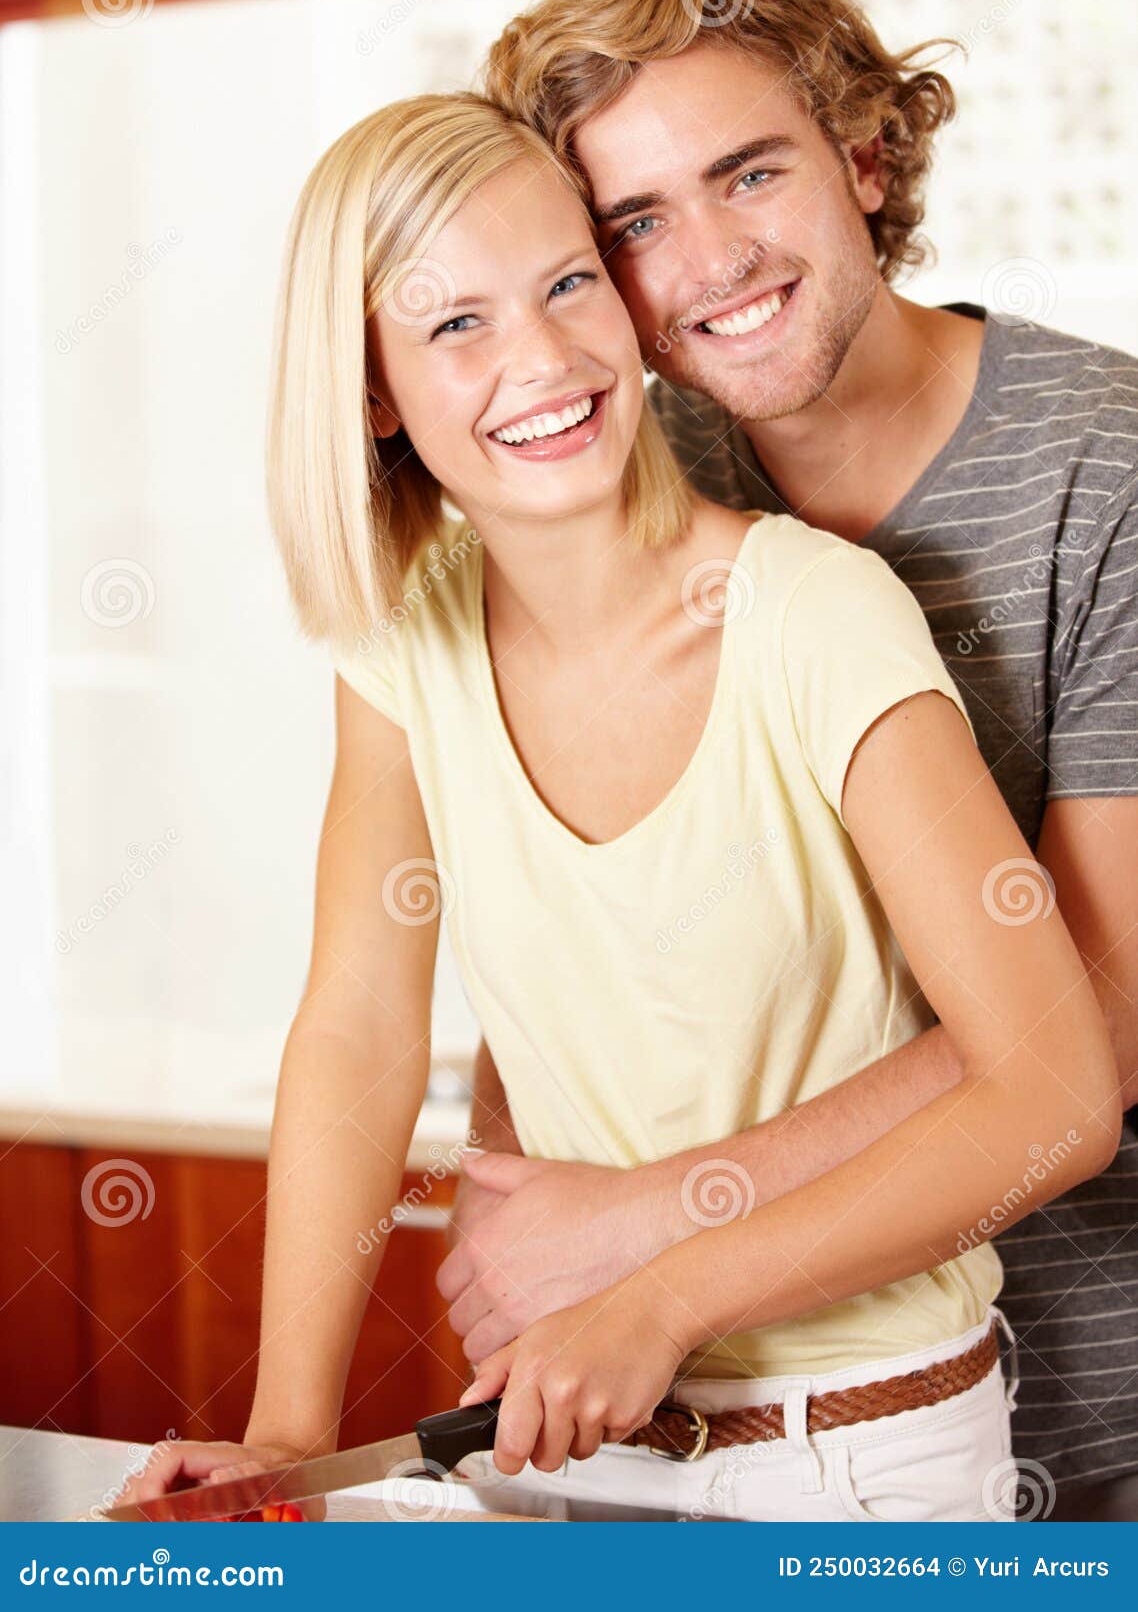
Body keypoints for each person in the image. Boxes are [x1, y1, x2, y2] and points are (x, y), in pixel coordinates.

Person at [119, 89, 1119, 1523]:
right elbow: (356, 1026)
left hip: (866, 1461)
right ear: (373, 392)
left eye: (568, 283)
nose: (540, 358)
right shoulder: (406, 644)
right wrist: (285, 1425)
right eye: (454, 322)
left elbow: (1055, 1091)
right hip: (572, 1448)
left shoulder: (816, 613)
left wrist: (659, 1297)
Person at [444, 0, 1138, 1522]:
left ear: (865, 154)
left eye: (747, 173)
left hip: (1087, 1397)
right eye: (630, 222)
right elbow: (573, 901)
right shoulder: (628, 459)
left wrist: (649, 1232)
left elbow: (1091, 1027)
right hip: (703, 1420)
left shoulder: (1108, 468)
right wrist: (525, 1217)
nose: (708, 262)